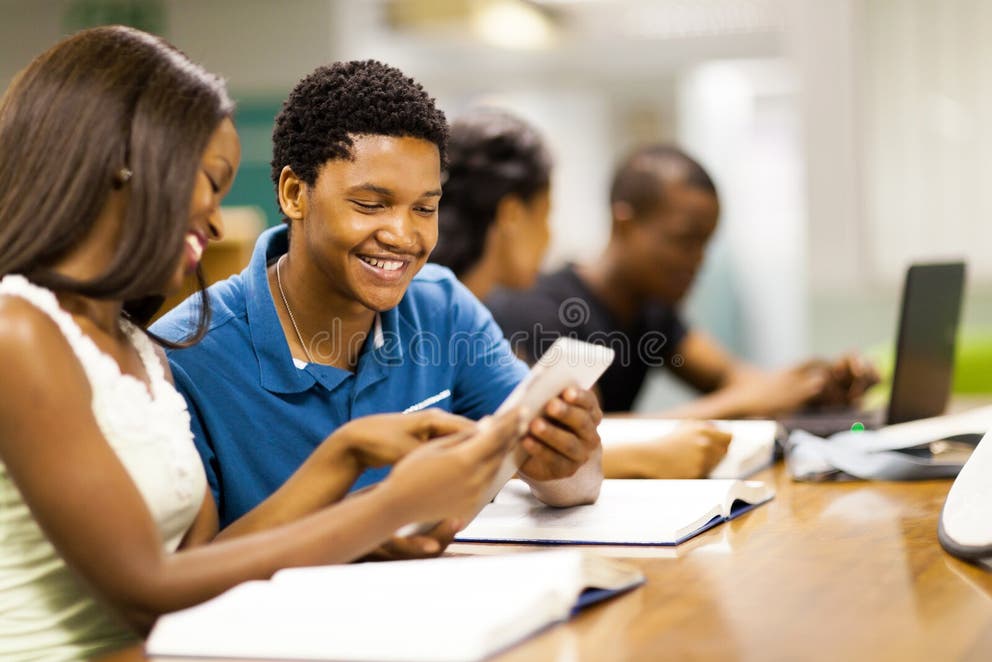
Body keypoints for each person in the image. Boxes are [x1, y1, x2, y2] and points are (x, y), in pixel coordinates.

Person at [0, 27, 526, 660]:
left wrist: (345, 456)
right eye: (208, 182)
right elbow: (146, 593)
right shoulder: (19, 333)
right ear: (120, 174)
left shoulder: (139, 349)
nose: (217, 220)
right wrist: (388, 506)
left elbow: (206, 566)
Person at [151, 62, 603, 540]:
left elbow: (574, 482)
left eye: (425, 209)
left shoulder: (442, 307)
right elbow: (186, 574)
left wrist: (567, 462)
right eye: (370, 205)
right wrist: (360, 533)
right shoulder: (185, 355)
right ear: (293, 193)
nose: (403, 236)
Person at [432, 109, 730, 479]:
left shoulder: (472, 322)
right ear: (511, 215)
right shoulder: (450, 312)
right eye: (546, 215)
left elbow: (520, 443)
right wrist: (645, 456)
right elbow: (490, 460)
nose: (550, 237)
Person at [487, 143, 878, 421]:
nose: (698, 260)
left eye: (705, 244)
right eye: (684, 241)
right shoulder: (543, 310)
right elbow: (587, 436)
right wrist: (745, 403)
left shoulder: (653, 309)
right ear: (625, 224)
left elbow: (733, 378)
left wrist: (817, 384)